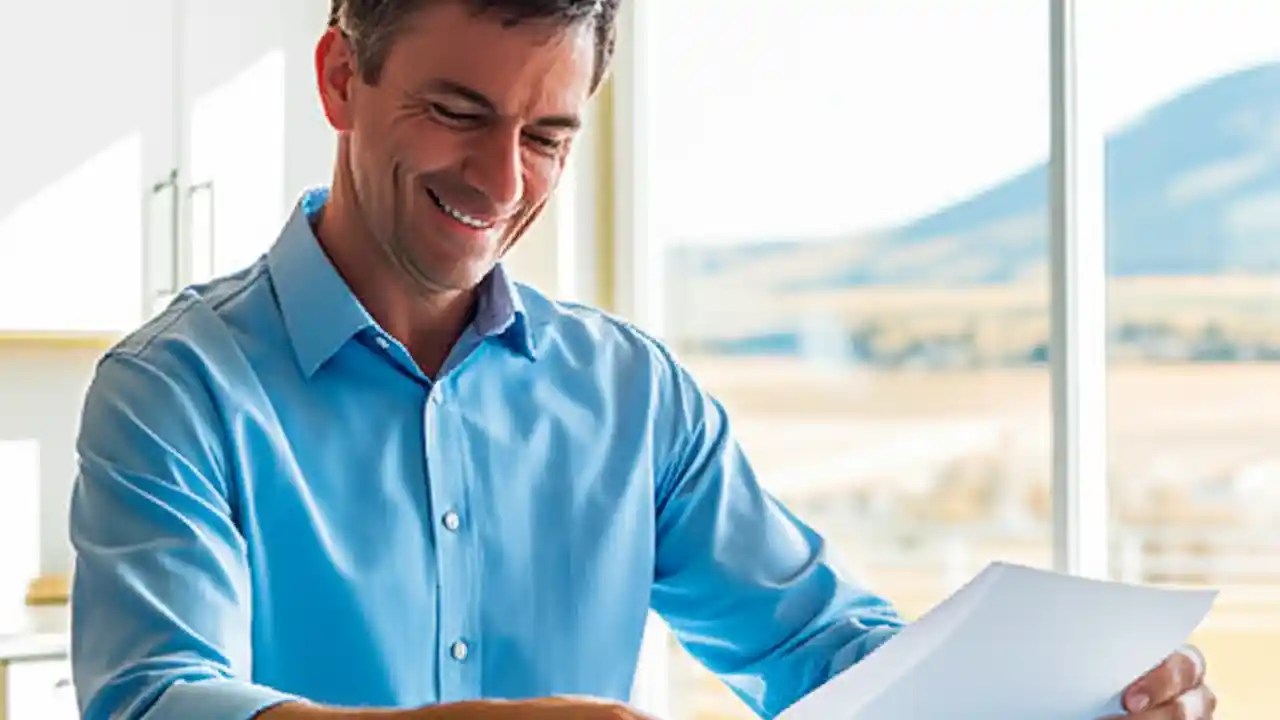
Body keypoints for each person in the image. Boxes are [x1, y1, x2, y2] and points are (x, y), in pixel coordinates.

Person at [68, 1, 1216, 718]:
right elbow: (156, 698)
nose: (502, 181)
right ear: (338, 80)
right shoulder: (178, 391)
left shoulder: (632, 396)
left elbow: (818, 649)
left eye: (547, 135)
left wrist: (1070, 700)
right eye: (457, 113)